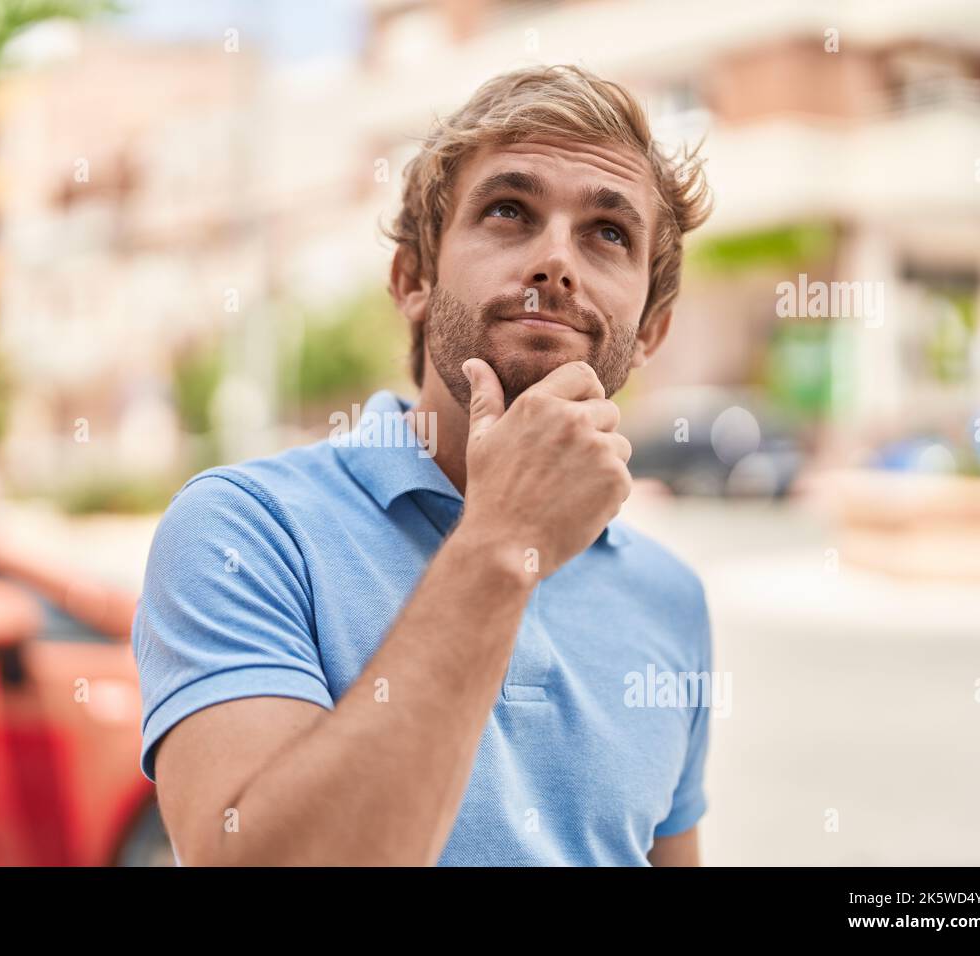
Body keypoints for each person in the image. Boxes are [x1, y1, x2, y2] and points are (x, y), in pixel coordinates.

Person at [133, 64, 715, 866]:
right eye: (509, 212)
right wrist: (504, 542)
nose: (556, 262)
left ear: (649, 331)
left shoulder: (669, 599)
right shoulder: (244, 531)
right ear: (413, 279)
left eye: (607, 233)